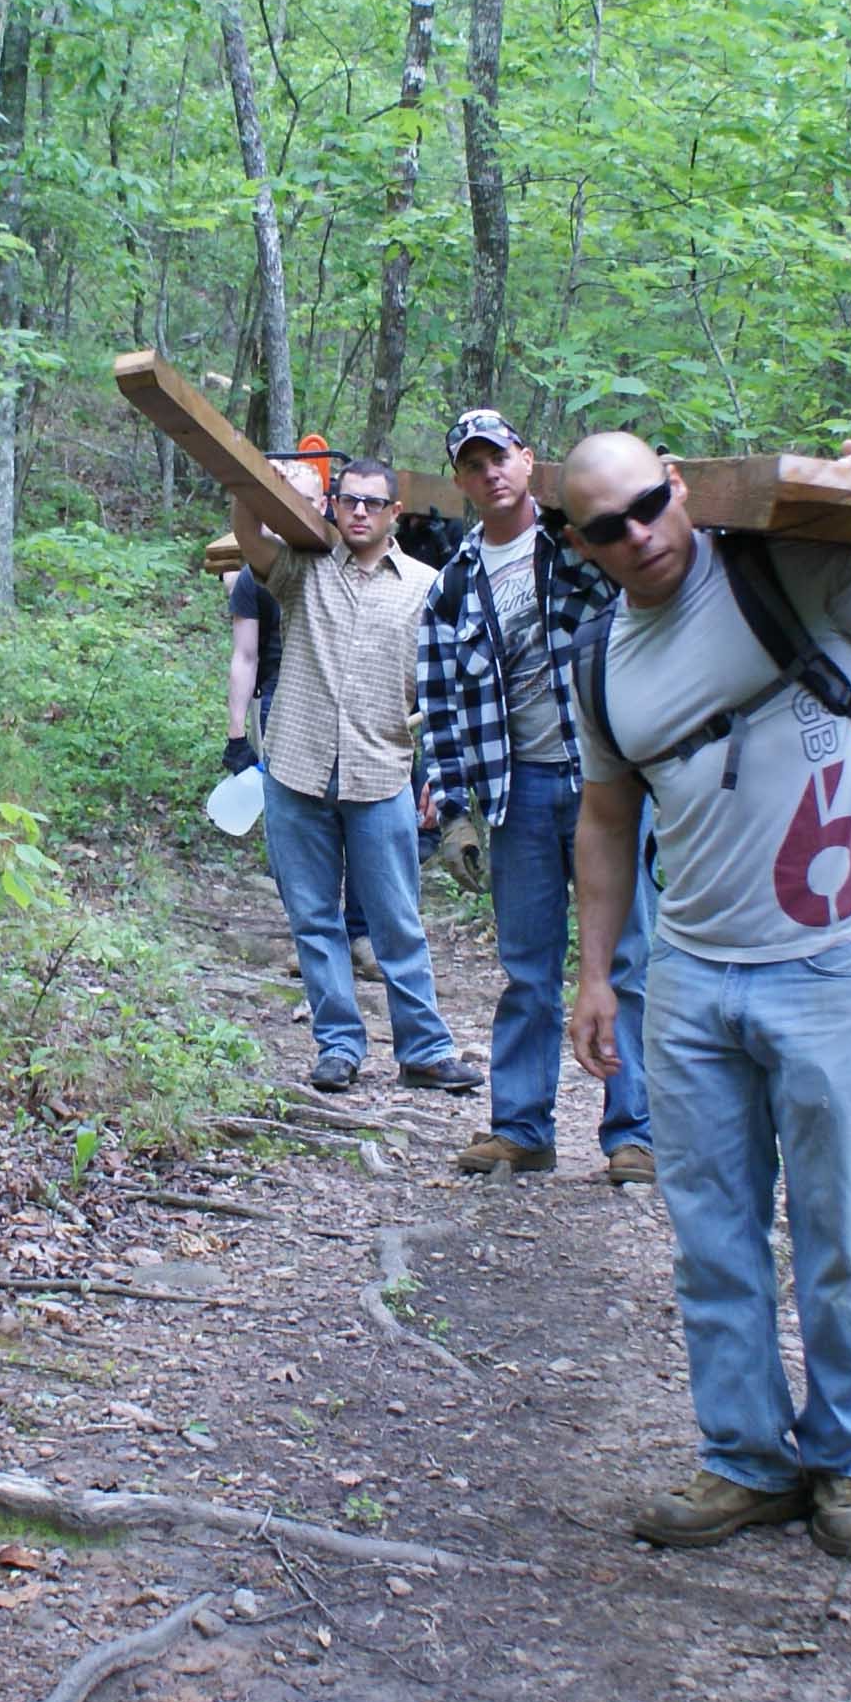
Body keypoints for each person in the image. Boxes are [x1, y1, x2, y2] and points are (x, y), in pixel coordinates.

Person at [563, 429, 851, 1558]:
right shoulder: (598, 661)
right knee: (713, 1235)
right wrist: (596, 972)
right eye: (606, 526)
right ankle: (745, 1460)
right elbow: (605, 817)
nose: (637, 535)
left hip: (832, 959)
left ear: (679, 485)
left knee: (840, 1232)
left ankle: (846, 1464)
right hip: (691, 972)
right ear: (581, 542)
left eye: (647, 504)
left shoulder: (789, 566)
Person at [416, 406, 657, 1184]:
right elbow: (440, 705)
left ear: (526, 460)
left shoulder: (581, 545)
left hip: (606, 782)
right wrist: (454, 811)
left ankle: (635, 1134)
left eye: (500, 456)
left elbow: (652, 583)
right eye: (472, 464)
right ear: (459, 481)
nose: (490, 472)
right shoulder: (453, 585)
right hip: (515, 790)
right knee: (527, 967)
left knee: (627, 958)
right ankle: (522, 1128)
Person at [228, 459, 481, 1098]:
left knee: (396, 921)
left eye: (373, 503)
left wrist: (444, 776)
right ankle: (338, 1046)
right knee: (314, 920)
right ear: (334, 506)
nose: (360, 512)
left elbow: (446, 689)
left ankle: (424, 1051)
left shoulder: (427, 586)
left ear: (395, 512)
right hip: (296, 769)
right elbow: (249, 536)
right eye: (349, 501)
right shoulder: (302, 569)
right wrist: (255, 486)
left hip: (382, 772)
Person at [224, 544, 379, 983]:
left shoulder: (349, 565)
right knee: (300, 831)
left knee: (364, 817)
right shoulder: (253, 577)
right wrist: (237, 735)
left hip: (357, 700)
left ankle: (362, 935)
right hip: (285, 703)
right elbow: (245, 656)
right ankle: (315, 938)